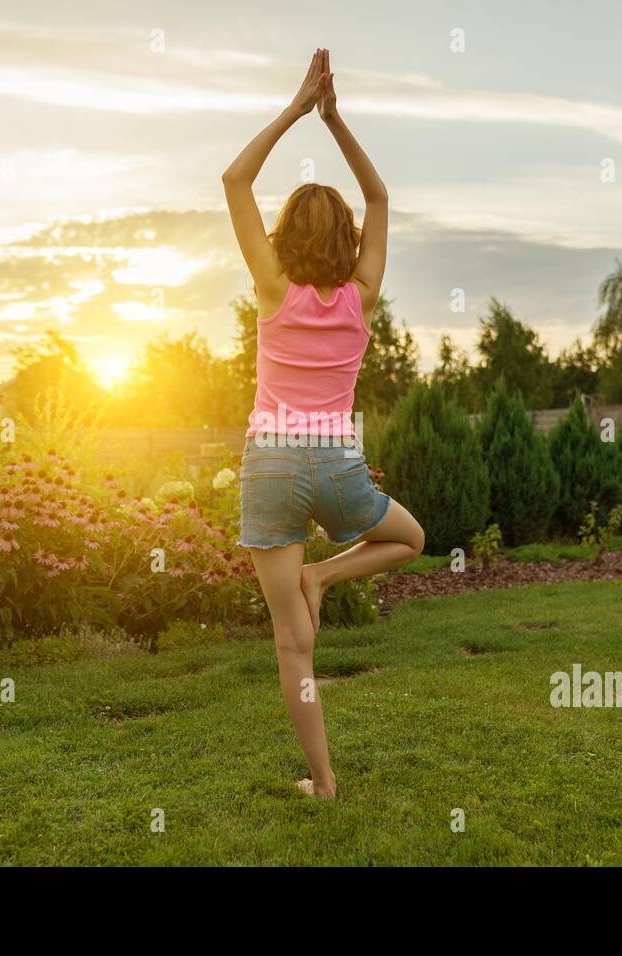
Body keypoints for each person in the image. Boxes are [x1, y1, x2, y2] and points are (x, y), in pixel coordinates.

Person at [221, 49, 425, 800]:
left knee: (292, 644)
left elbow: (234, 180)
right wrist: (336, 122)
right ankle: (327, 574)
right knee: (410, 538)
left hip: (272, 464)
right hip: (336, 467)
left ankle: (325, 782)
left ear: (285, 236)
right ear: (345, 239)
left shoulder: (272, 287)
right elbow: (380, 197)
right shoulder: (361, 296)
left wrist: (295, 107)